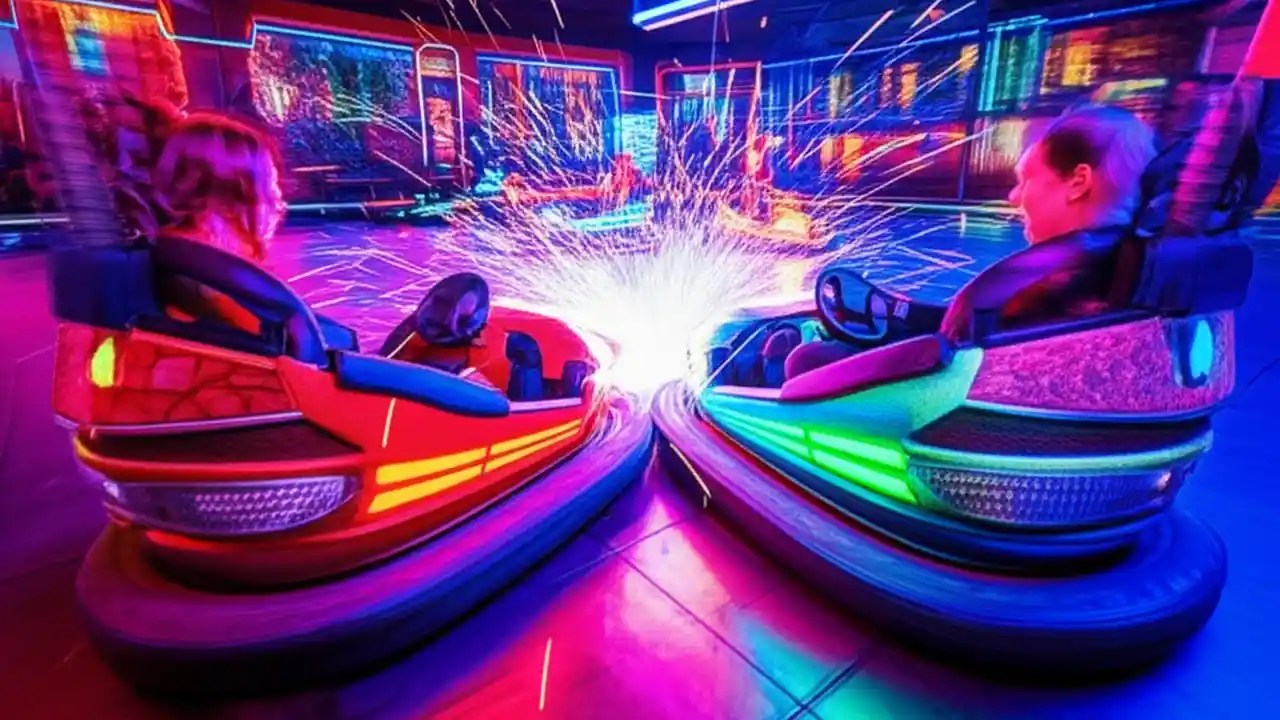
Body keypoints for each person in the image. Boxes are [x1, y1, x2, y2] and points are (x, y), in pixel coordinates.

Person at [785, 105, 1157, 380]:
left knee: (801, 358)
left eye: (1026, 179)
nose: (1014, 196)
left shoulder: (1042, 277)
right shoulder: (1114, 262)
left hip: (957, 423)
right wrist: (908, 316)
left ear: (1078, 182)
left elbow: (940, 361)